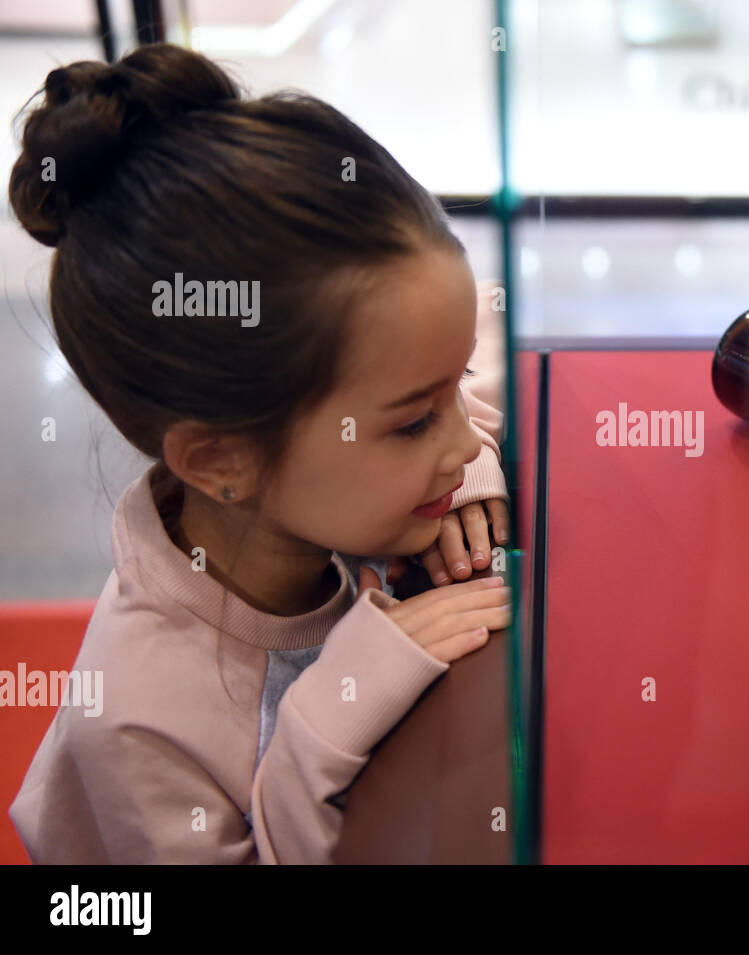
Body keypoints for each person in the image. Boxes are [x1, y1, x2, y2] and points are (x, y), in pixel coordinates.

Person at [7, 45, 513, 863]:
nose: (459, 439)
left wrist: (464, 468)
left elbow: (469, 348)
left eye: (447, 394)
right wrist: (330, 712)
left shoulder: (309, 477)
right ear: (218, 462)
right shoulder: (138, 723)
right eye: (416, 422)